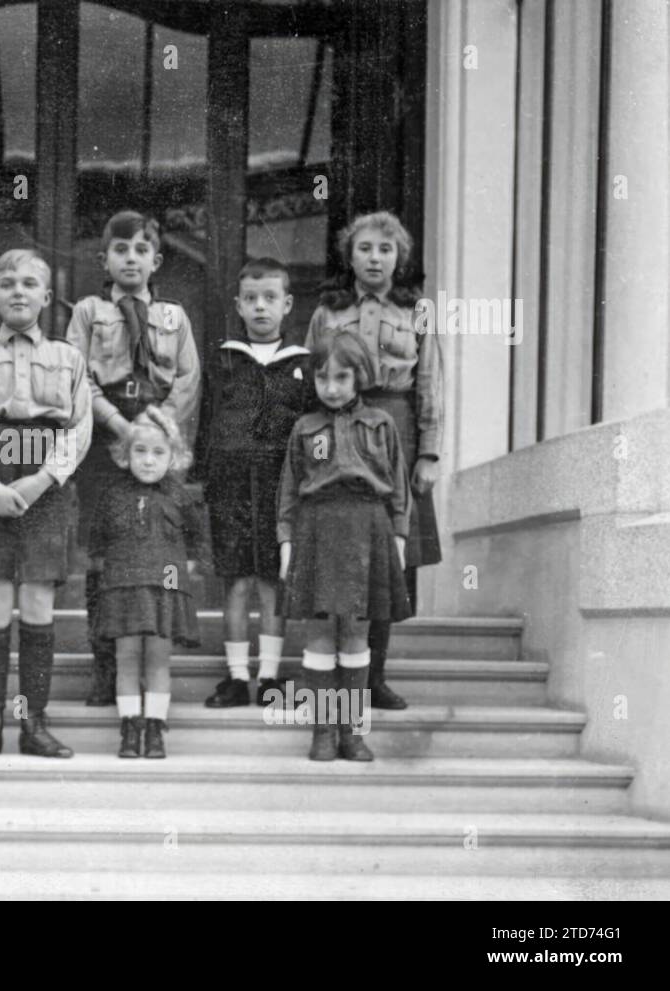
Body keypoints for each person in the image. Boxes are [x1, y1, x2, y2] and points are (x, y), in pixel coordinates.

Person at [0, 249, 92, 758]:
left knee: (35, 603)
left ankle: (32, 723)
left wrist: (41, 480)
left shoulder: (68, 359)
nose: (18, 292)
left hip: (45, 484)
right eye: (7, 284)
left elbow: (80, 429)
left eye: (30, 284)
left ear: (47, 298)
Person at [305, 211, 442, 710]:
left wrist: (428, 452)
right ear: (350, 256)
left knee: (389, 557)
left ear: (399, 257)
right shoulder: (327, 311)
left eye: (385, 249)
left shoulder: (418, 310)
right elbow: (315, 375)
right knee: (344, 546)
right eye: (365, 248)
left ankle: (374, 676)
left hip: (398, 427)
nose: (375, 258)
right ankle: (336, 675)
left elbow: (430, 381)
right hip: (341, 428)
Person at [65, 210, 201, 707]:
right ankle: (107, 668)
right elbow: (75, 375)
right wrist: (117, 423)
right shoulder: (88, 313)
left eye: (141, 250)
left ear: (156, 261)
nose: (130, 258)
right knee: (106, 557)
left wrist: (158, 425)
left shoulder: (175, 318)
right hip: (106, 436)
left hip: (157, 440)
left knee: (152, 550)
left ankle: (153, 667)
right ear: (105, 259)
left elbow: (187, 379)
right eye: (120, 250)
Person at [277, 332, 412, 761]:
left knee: (355, 634)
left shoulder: (381, 424)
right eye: (322, 377)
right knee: (319, 634)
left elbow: (399, 491)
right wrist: (286, 546)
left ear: (360, 377)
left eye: (341, 377)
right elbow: (288, 495)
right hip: (317, 531)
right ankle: (321, 730)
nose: (331, 387)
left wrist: (398, 538)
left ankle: (353, 732)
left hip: (367, 531)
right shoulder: (304, 428)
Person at [195, 258, 314, 708]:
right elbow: (207, 424)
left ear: (287, 305)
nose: (260, 307)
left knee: (272, 583)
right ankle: (235, 676)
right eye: (251, 299)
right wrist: (204, 479)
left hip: (279, 487)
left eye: (269, 299)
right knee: (236, 583)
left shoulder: (303, 366)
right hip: (229, 484)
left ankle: (268, 677)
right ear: (238, 307)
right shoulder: (225, 361)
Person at [89, 407, 203, 759]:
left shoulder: (179, 496)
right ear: (126, 454)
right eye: (140, 451)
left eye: (158, 453)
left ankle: (155, 729)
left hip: (163, 588)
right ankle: (129, 726)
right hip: (123, 586)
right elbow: (97, 545)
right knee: (126, 658)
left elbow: (195, 542)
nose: (149, 461)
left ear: (174, 456)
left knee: (157, 659)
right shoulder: (112, 496)